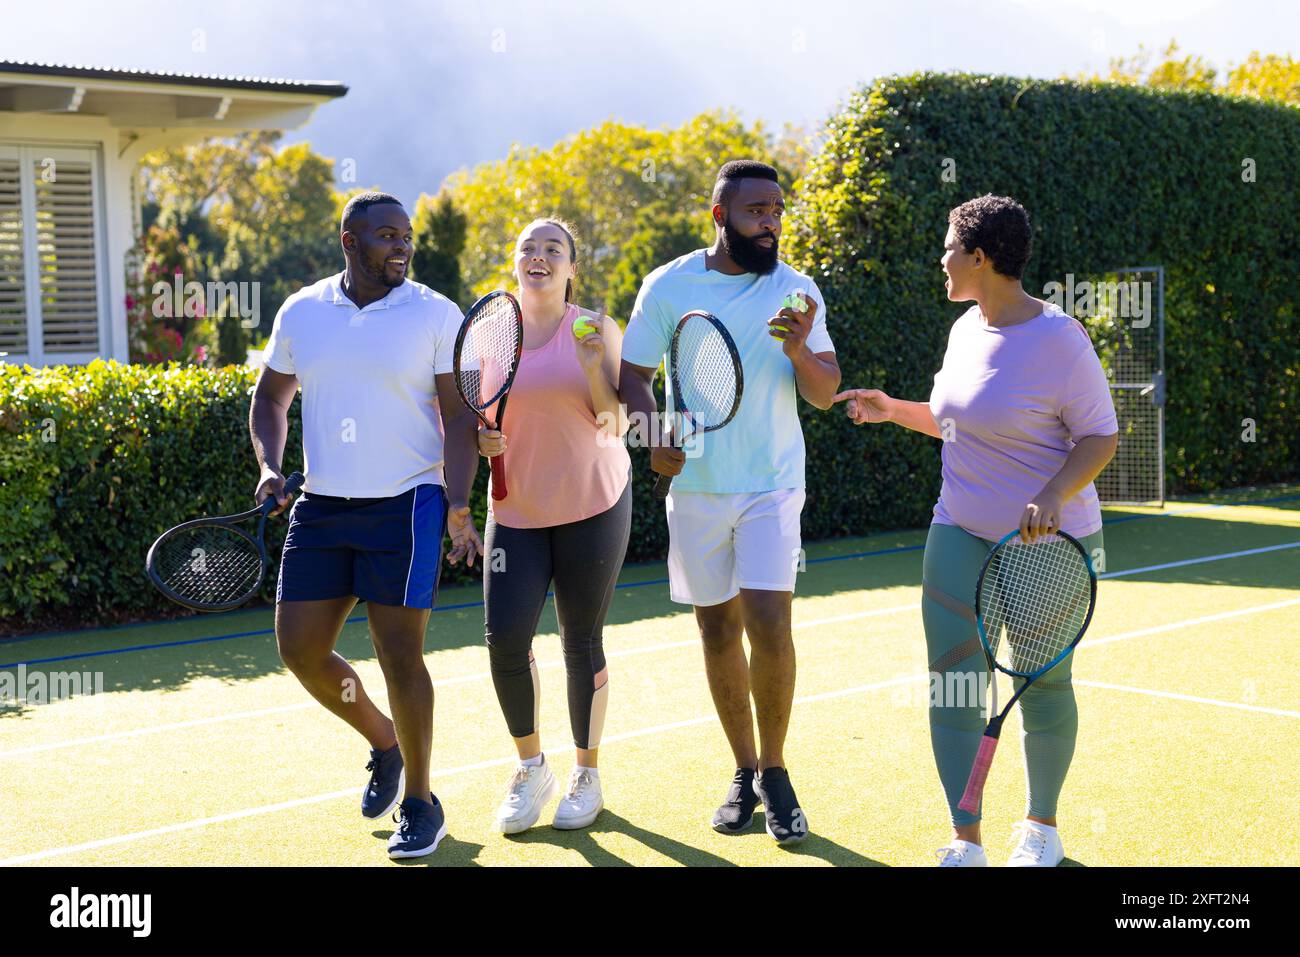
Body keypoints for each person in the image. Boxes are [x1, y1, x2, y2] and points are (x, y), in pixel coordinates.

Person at [833, 194, 1118, 867]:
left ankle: (1041, 827)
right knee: (954, 685)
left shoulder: (1059, 339)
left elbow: (1100, 435)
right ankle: (966, 837)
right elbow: (957, 418)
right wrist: (891, 410)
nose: (941, 258)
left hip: (1046, 547)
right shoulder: (965, 330)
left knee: (1044, 684)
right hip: (956, 529)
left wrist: (1052, 493)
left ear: (980, 257)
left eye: (949, 247)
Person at [249, 191, 482, 860]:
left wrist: (459, 501)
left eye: (406, 234)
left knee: (398, 653)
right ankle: (386, 743)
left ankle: (422, 802)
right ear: (350, 242)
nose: (401, 246)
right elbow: (270, 397)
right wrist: (270, 464)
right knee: (299, 648)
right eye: (386, 235)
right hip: (322, 507)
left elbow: (460, 417)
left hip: (406, 503)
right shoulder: (303, 311)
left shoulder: (436, 312)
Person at [618, 160, 841, 845]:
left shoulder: (798, 290)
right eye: (755, 211)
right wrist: (652, 436)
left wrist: (804, 351)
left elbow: (826, 391)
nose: (770, 221)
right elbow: (630, 378)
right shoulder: (667, 285)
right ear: (719, 216)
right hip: (696, 489)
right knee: (717, 631)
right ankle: (743, 769)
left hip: (773, 483)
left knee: (770, 621)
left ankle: (775, 772)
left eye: (777, 210)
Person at [471, 218, 632, 833]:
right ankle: (531, 766)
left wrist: (593, 366)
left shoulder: (595, 327)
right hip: (515, 513)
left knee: (579, 642)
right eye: (528, 249)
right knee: (505, 641)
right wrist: (483, 440)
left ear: (571, 267)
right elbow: (473, 418)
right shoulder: (487, 332)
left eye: (553, 251)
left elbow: (617, 425)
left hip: (593, 505)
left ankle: (585, 774)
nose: (538, 258)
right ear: (515, 261)